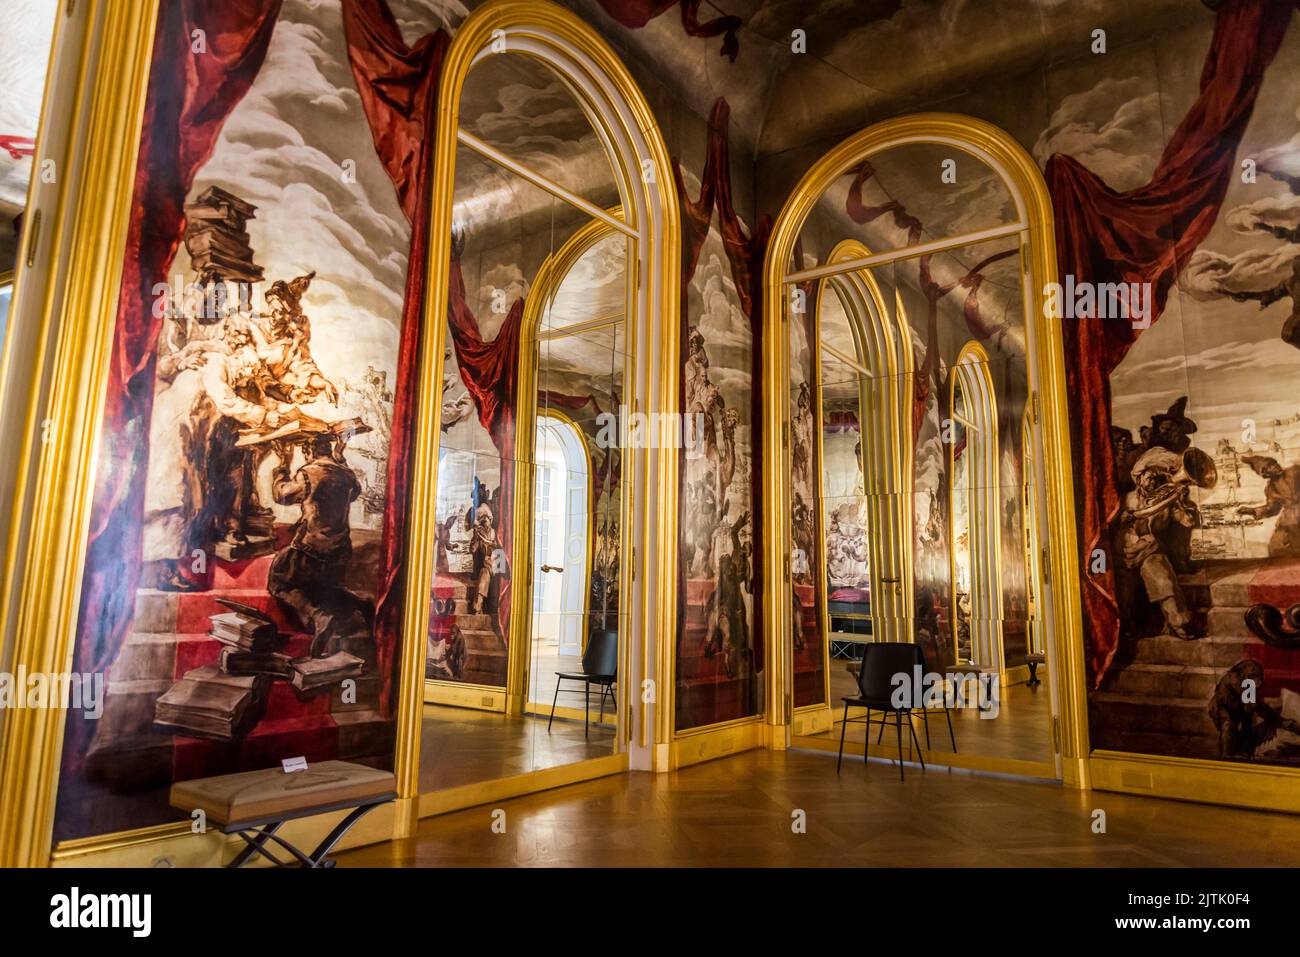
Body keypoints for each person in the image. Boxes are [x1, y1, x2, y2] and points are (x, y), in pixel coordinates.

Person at [268, 431, 374, 660]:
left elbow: (281, 495)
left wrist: (283, 465)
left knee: (279, 580)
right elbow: (355, 491)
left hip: (312, 551)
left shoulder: (308, 473)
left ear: (308, 451)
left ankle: (317, 616)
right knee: (322, 586)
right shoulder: (345, 475)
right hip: (339, 551)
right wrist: (340, 457)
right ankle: (361, 605)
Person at [1117, 447, 1199, 639]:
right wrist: (1124, 518)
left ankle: (1179, 624)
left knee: (1163, 579)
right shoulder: (1126, 499)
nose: (1152, 481)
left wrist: (1183, 503)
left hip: (1150, 550)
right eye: (1148, 477)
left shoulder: (1168, 500)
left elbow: (1186, 521)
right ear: (1139, 478)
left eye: (1155, 478)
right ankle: (1128, 628)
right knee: (1125, 593)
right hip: (1124, 553)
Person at [1238, 455, 1300, 557]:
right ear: (1265, 473)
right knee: (1276, 547)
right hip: (1290, 519)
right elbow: (1272, 509)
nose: (1275, 466)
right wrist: (1252, 511)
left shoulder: (1295, 471)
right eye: (1270, 466)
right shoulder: (1271, 489)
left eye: (1274, 463)